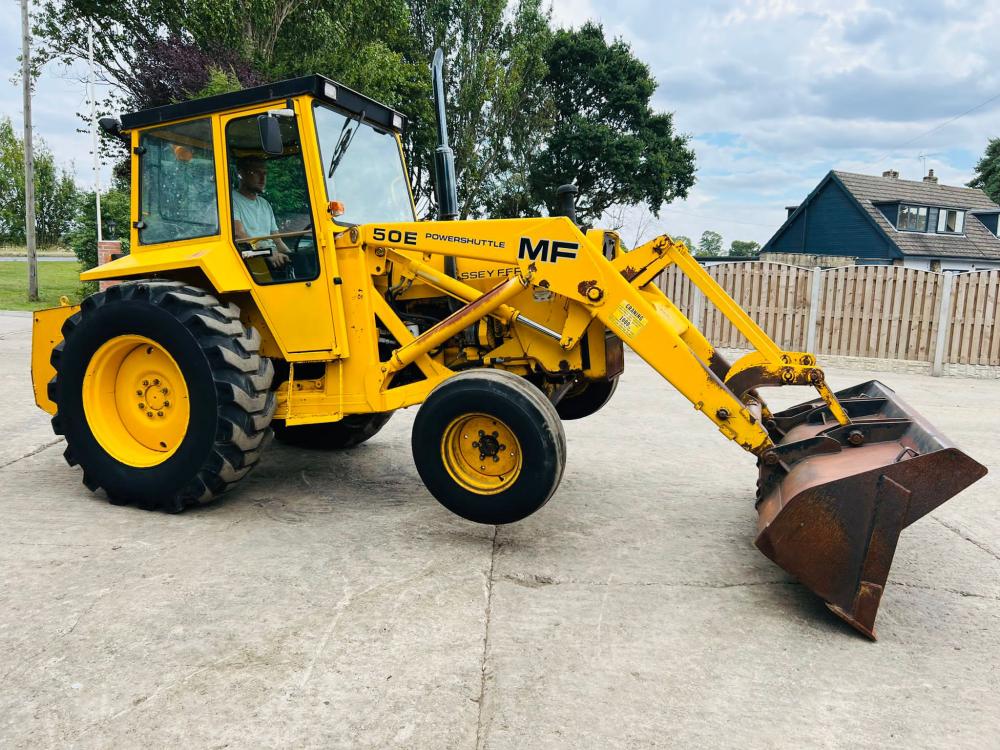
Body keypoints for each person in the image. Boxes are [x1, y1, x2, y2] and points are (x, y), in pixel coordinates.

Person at [231, 156, 291, 270]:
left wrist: (292, 256)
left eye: (264, 173)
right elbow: (239, 236)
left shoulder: (265, 204)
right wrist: (266, 254)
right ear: (241, 174)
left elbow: (277, 241)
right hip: (250, 258)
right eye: (257, 173)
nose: (263, 178)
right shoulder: (231, 201)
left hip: (270, 257)